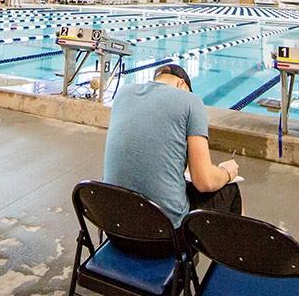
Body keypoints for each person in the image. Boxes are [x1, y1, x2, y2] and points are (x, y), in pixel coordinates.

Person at [103, 63, 241, 225]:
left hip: (112, 224)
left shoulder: (123, 93)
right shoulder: (191, 101)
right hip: (163, 237)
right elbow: (204, 181)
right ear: (182, 84)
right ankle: (238, 249)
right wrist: (227, 172)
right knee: (230, 189)